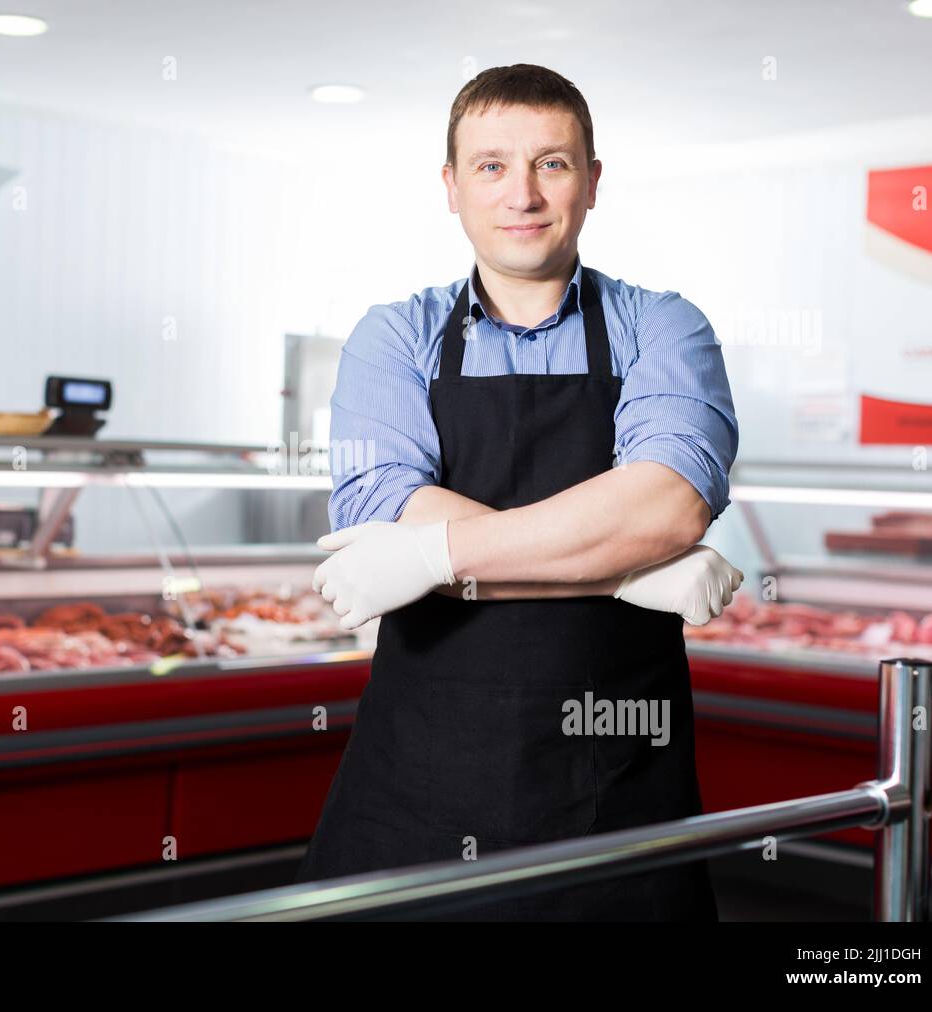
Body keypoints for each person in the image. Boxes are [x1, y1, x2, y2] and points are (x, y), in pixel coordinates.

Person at [294, 64, 741, 921]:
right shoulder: (395, 336)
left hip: (617, 773)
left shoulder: (665, 325)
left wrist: (429, 557)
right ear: (452, 187)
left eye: (554, 163)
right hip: (420, 774)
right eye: (492, 165)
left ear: (593, 182)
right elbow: (380, 505)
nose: (524, 194)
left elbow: (668, 504)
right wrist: (625, 570)